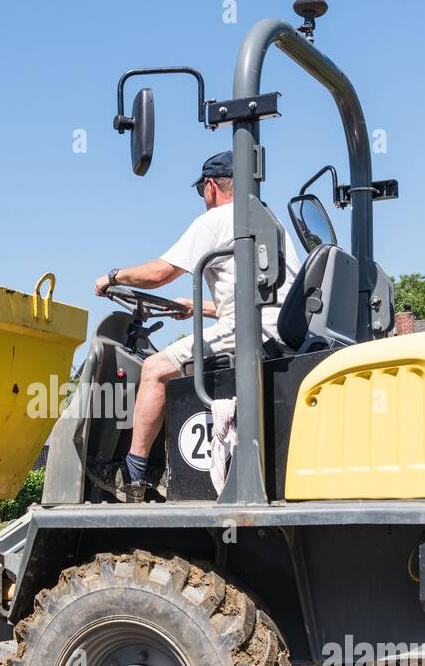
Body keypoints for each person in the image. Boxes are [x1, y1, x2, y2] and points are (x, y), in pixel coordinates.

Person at [92, 150, 299, 500]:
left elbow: (159, 274)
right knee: (175, 363)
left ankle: (134, 475)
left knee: (156, 368)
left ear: (211, 186)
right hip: (274, 329)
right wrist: (197, 307)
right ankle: (164, 466)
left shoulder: (218, 219)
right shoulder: (267, 223)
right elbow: (260, 298)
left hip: (251, 334)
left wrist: (113, 276)